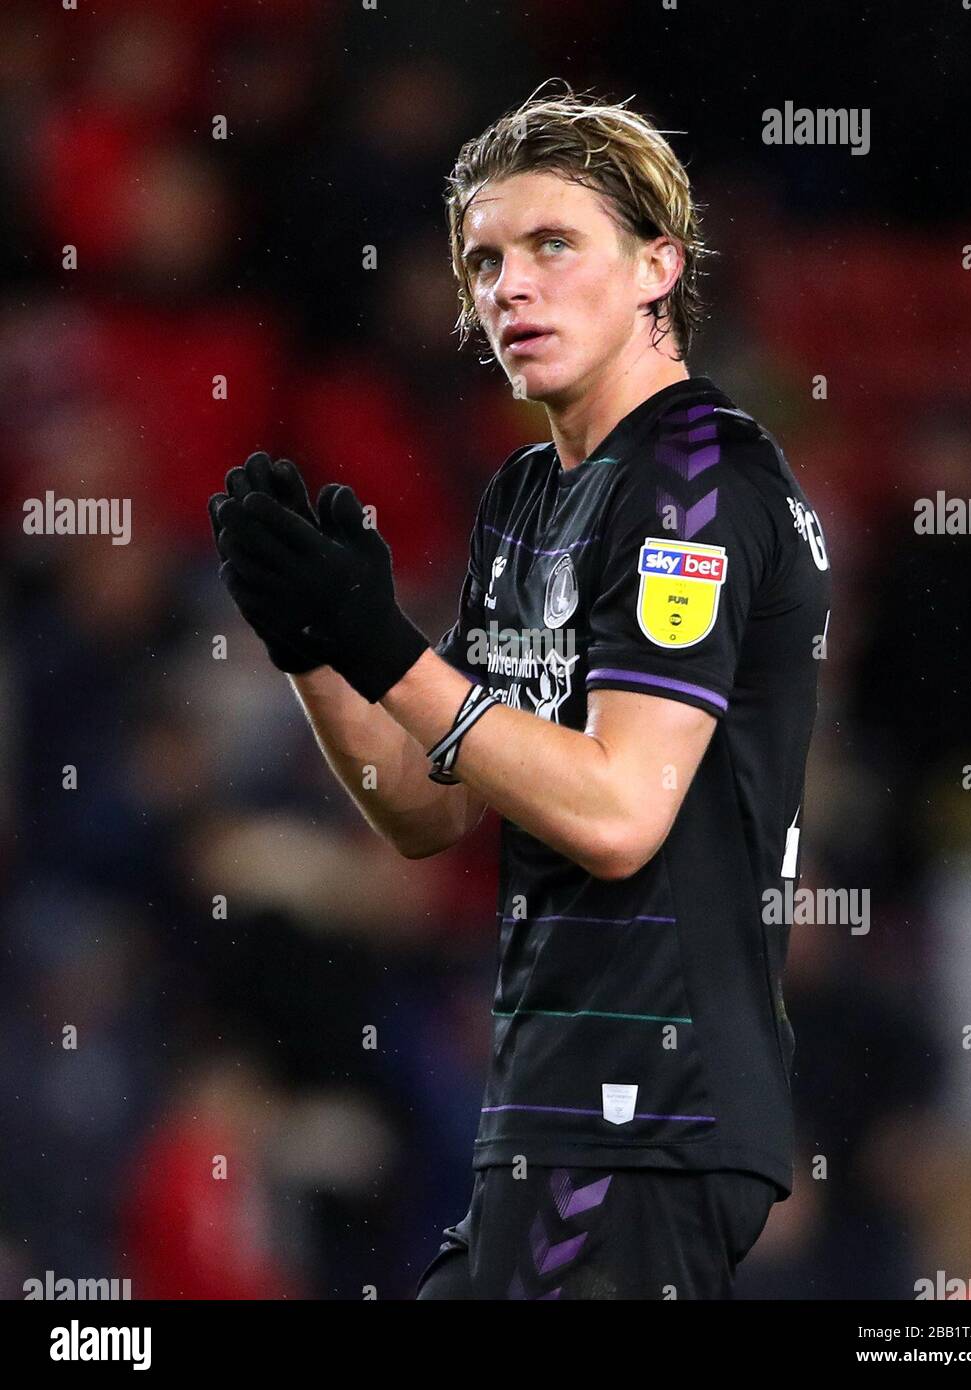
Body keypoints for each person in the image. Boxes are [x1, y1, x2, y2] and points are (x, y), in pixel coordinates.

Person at [209, 82, 831, 1300]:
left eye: (554, 244)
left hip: (654, 1112)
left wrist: (383, 644)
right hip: (548, 1116)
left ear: (660, 266)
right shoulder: (528, 499)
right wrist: (313, 651)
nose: (510, 287)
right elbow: (425, 808)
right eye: (485, 260)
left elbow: (615, 814)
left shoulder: (693, 479)